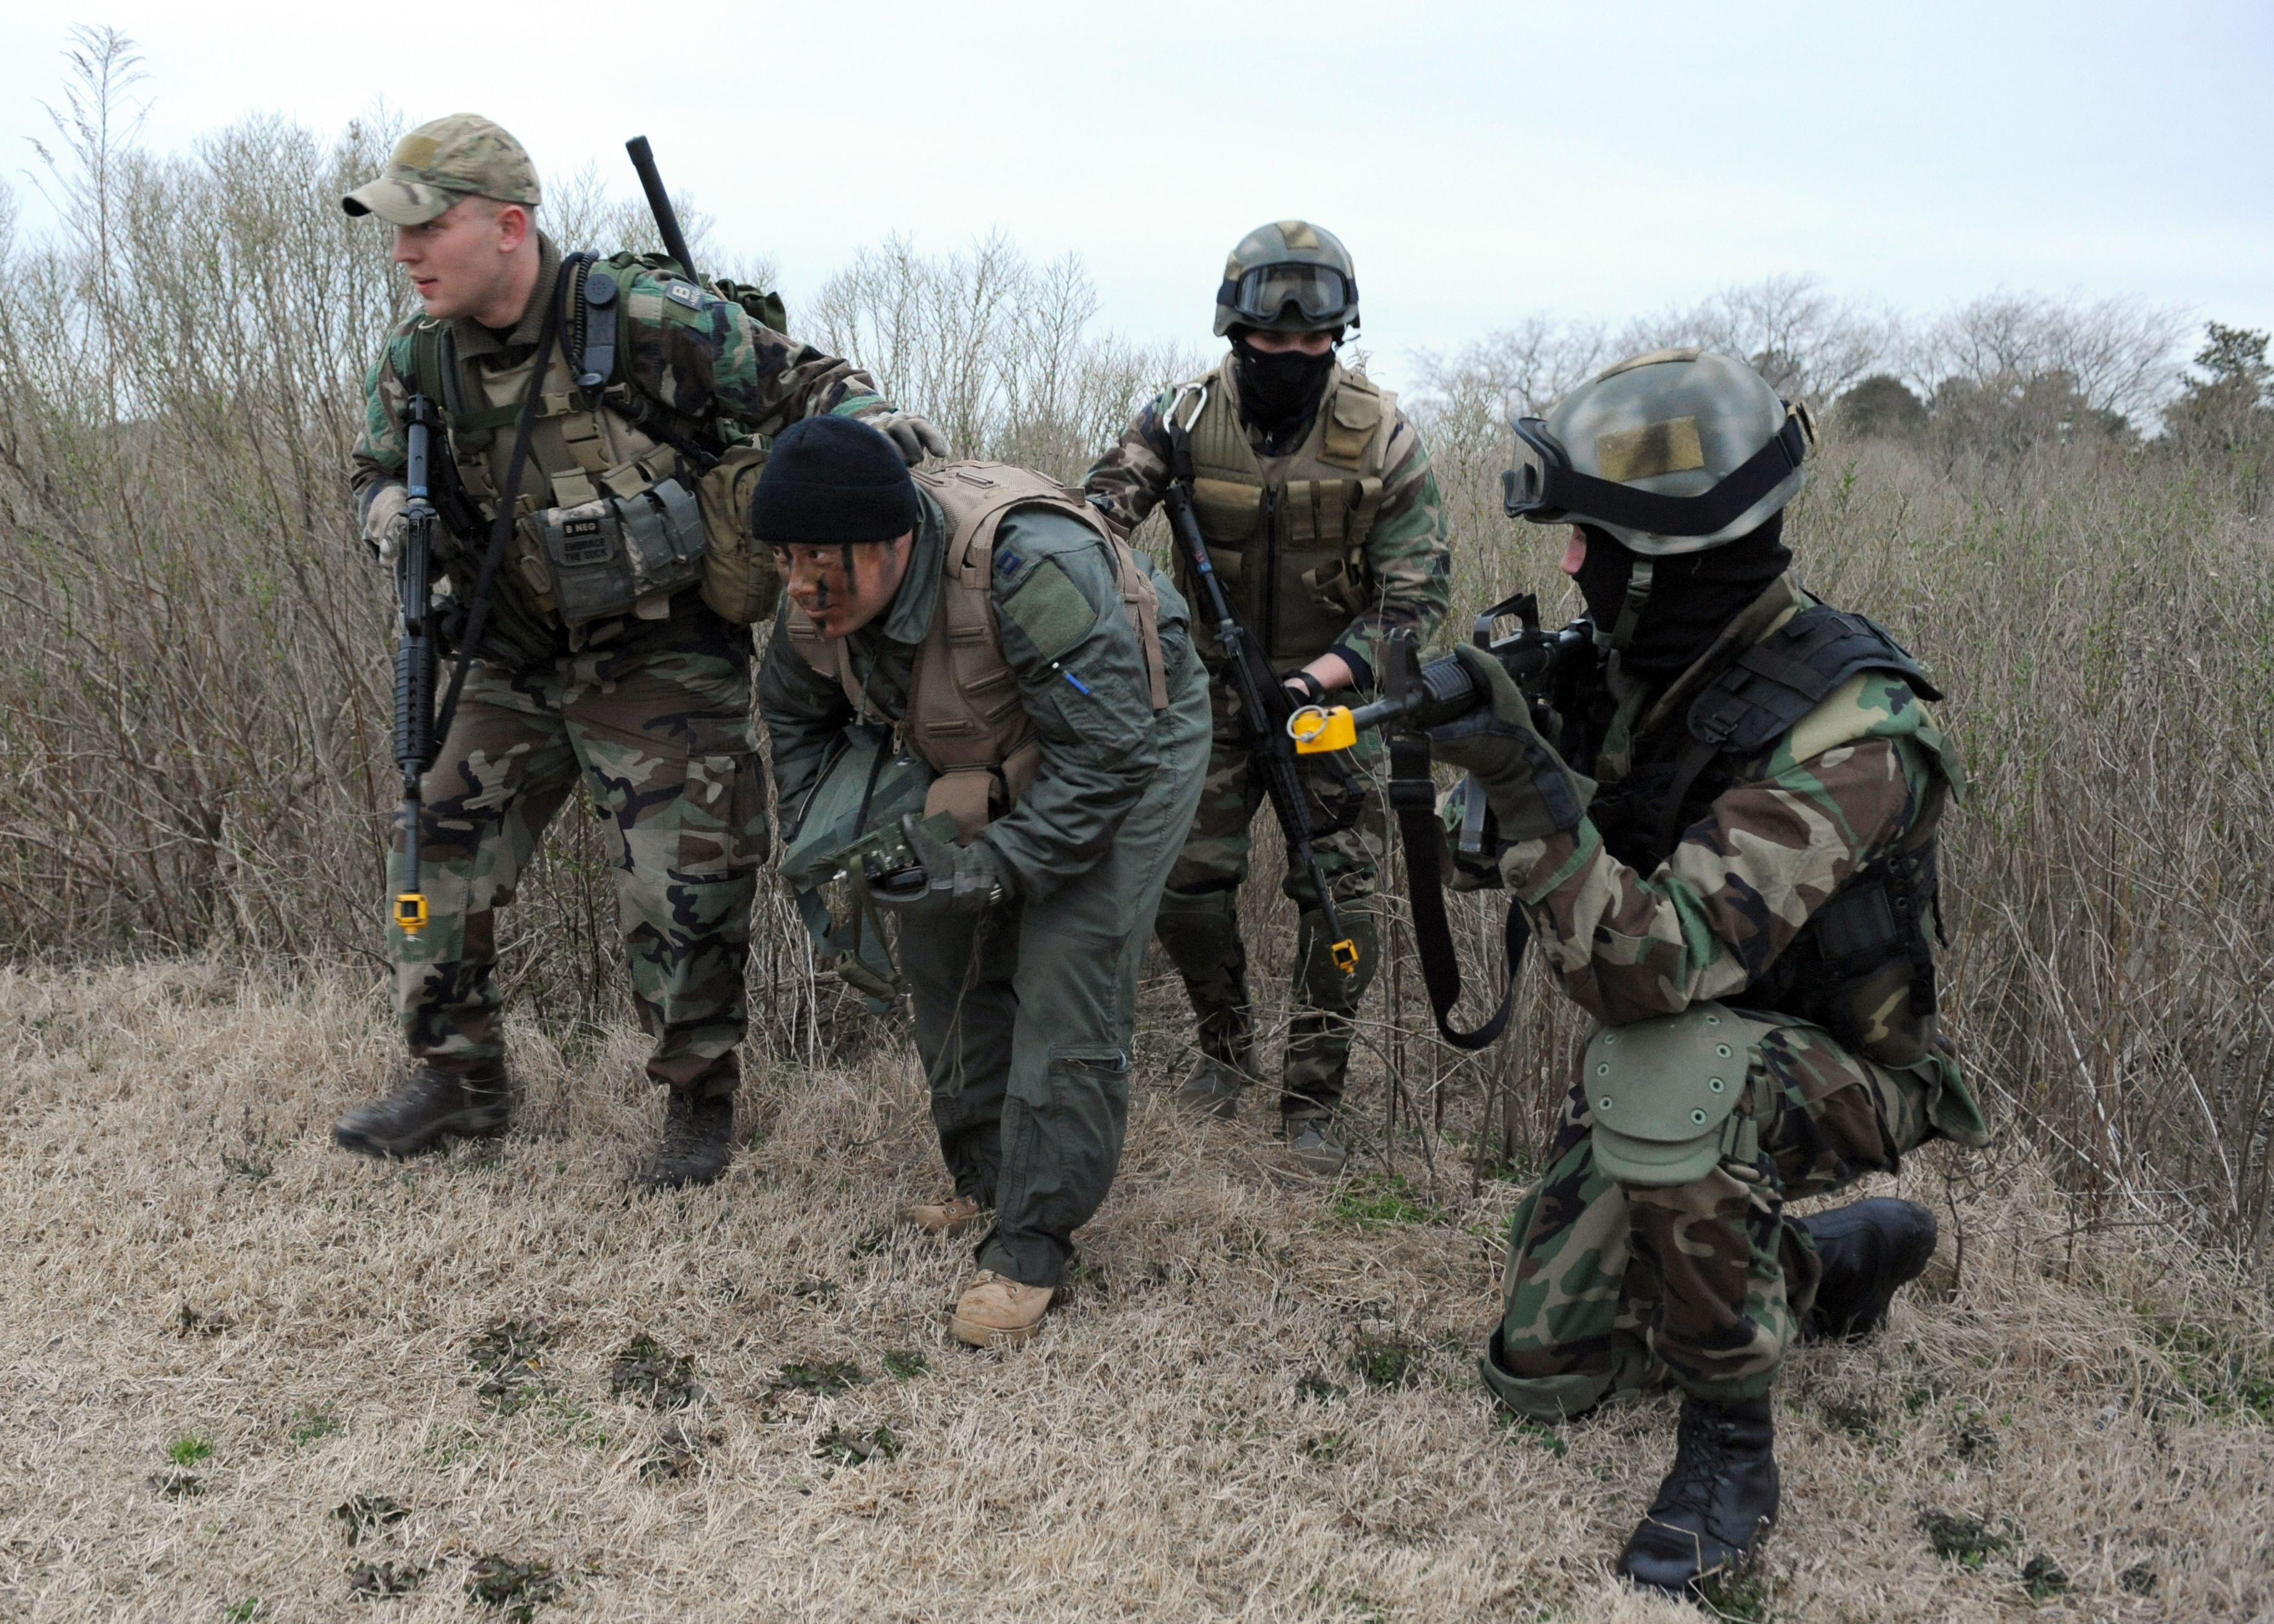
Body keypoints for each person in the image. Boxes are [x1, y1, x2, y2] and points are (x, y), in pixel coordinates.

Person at [1421, 348, 1990, 1596]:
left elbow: (1647, 970)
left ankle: (1728, 1447)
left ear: (1669, 553)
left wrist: (1525, 792)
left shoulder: (1855, 731)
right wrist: (1473, 763)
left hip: (1833, 1062)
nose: (1567, 560)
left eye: (1587, 537)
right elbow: (1536, 873)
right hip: (1684, 1063)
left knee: (1670, 1064)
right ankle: (1831, 1263)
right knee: (1543, 1368)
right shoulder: (1639, 672)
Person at [332, 113, 943, 1187]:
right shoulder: (418, 360)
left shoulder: (645, 318)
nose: (404, 253)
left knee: (685, 884)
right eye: (396, 233)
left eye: (424, 229)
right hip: (511, 654)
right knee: (431, 839)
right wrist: (390, 517)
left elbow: (804, 382)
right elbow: (371, 471)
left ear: (510, 227)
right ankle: (457, 1079)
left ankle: (698, 1109)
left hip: (660, 655)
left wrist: (879, 434)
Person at [755, 418, 1210, 1348]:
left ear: (896, 542)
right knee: (937, 942)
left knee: (1067, 967)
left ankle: (1034, 1241)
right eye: (786, 558)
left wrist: (995, 869)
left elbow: (1110, 756)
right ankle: (988, 1181)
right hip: (976, 736)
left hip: (1128, 743)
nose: (802, 585)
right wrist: (835, 835)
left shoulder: (1029, 570)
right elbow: (792, 714)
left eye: (822, 561)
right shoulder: (815, 591)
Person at [1082, 221, 1451, 1172]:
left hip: (1328, 702)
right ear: (1235, 332)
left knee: (1342, 904)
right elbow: (1093, 529)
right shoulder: (1176, 417)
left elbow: (1414, 601)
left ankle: (1311, 1100)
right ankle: (1224, 1050)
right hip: (1207, 694)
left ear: (1339, 335)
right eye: (1270, 339)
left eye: (1310, 340)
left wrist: (1316, 680)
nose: (1290, 354)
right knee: (1185, 887)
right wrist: (1143, 629)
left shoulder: (1386, 437)